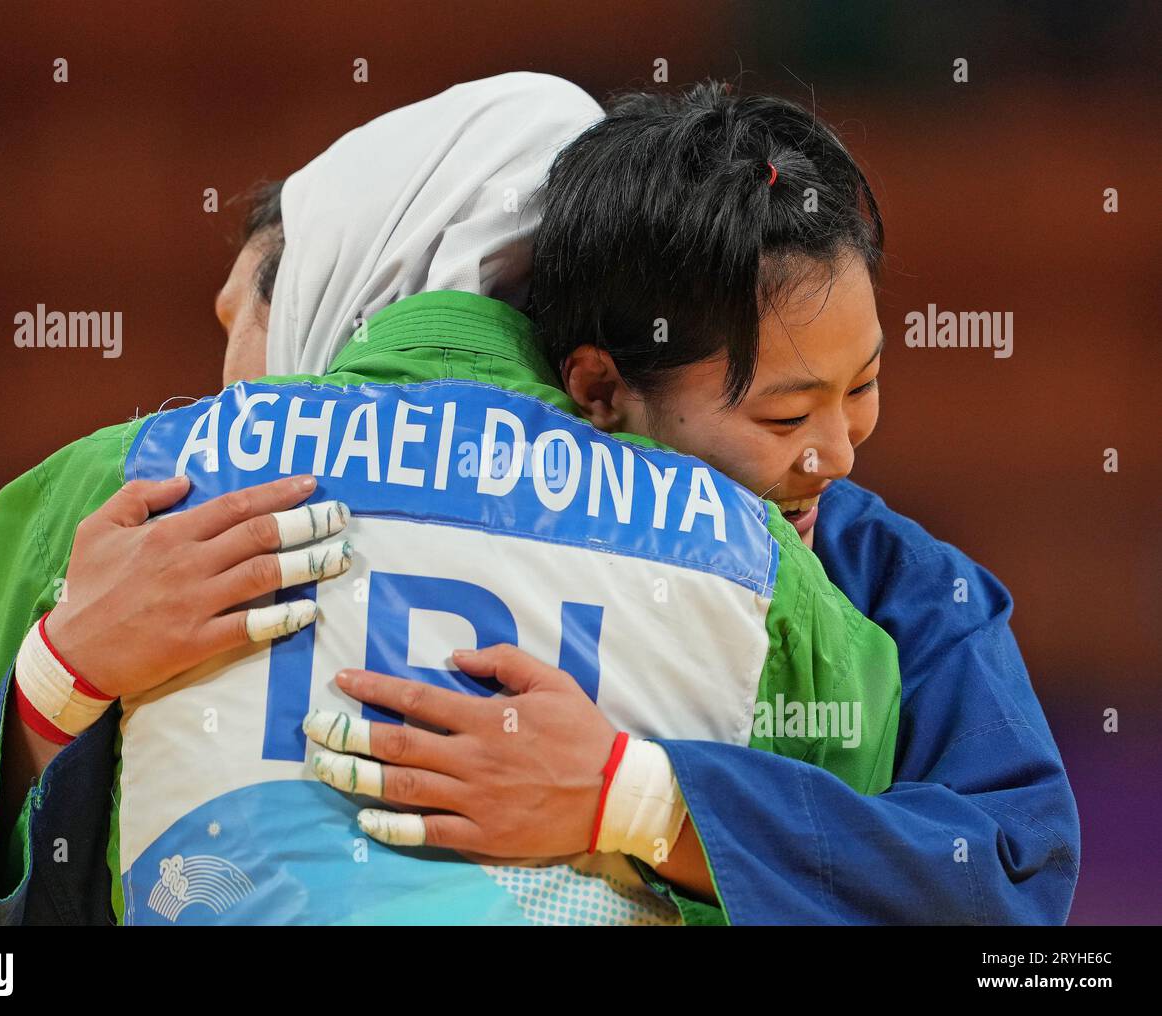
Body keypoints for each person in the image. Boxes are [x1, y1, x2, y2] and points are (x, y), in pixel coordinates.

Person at [0, 74, 900, 926]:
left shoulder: (126, 484)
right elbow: (873, 882)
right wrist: (647, 811)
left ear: (336, 272)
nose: (230, 374)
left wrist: (55, 679)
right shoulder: (760, 552)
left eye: (241, 309)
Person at [309, 84, 1082, 924]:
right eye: (783, 416)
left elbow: (1010, 887)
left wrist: (639, 799)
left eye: (864, 384)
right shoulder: (418, 521)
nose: (840, 453)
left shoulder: (905, 590)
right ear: (601, 387)